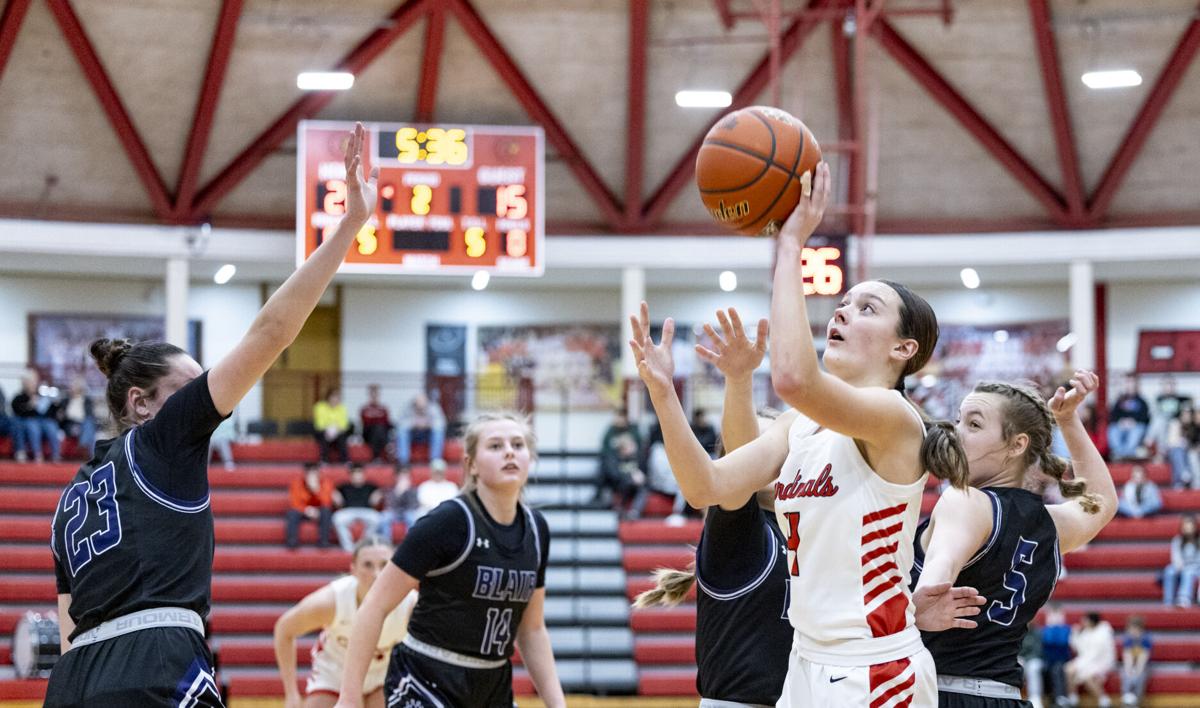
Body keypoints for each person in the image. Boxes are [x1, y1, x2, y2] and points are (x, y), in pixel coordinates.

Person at [45, 122, 378, 707]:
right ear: (140, 402)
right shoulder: (163, 438)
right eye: (191, 387)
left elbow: (69, 623)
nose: (210, 398)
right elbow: (272, 332)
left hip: (72, 683)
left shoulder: (70, 499)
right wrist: (349, 225)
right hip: (157, 663)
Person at [629, 163, 972, 707]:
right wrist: (663, 391)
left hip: (874, 668)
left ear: (903, 349)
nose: (843, 310)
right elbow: (709, 487)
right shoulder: (800, 425)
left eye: (867, 308)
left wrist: (790, 245)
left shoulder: (896, 418)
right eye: (844, 303)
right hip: (804, 665)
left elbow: (792, 378)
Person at [913, 372, 1118, 707]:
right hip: (1005, 697)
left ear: (1017, 444)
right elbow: (1103, 501)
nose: (955, 432)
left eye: (974, 425)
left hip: (940, 693)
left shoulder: (965, 501)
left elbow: (941, 568)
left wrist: (917, 604)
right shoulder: (1048, 524)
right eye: (958, 420)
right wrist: (1067, 420)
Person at [334, 413, 565, 708]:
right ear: (471, 465)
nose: (509, 451)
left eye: (518, 444)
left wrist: (558, 705)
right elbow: (375, 605)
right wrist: (349, 698)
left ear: (529, 458)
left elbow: (531, 629)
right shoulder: (448, 521)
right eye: (495, 446)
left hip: (492, 682)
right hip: (426, 676)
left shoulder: (537, 530)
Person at [273, 537, 417, 708]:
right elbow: (284, 629)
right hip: (335, 673)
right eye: (368, 565)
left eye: (384, 565)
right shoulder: (331, 602)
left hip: (383, 674)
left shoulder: (410, 604)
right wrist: (291, 695)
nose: (376, 573)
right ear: (353, 569)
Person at [1066, 612, 1116, 707]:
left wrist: (1082, 666)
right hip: (1086, 660)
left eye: (1085, 620)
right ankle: (1072, 698)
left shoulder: (1104, 631)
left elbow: (1098, 654)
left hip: (1102, 662)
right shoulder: (1085, 632)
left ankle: (1104, 701)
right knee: (1069, 669)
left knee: (1088, 677)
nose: (1083, 622)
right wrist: (1075, 634)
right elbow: (1078, 649)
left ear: (1092, 621)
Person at [11, 371, 62, 462]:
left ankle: (56, 454)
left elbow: (51, 413)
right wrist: (30, 405)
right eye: (31, 381)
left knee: (51, 426)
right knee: (33, 426)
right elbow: (17, 412)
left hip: (43, 421)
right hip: (28, 422)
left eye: (35, 381)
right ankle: (37, 454)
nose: (33, 384)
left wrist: (55, 405)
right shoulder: (19, 397)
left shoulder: (43, 395)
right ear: (25, 383)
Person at [594, 408, 642, 504]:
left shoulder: (633, 429)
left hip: (631, 461)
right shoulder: (610, 430)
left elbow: (639, 447)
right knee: (605, 465)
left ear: (625, 418)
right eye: (616, 416)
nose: (618, 419)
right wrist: (619, 452)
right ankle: (601, 494)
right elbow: (605, 449)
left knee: (636, 476)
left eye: (620, 417)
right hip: (615, 462)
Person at [333, 465, 384, 552]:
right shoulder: (343, 487)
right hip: (348, 510)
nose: (357, 476)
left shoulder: (371, 486)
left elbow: (380, 496)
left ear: (363, 475)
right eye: (355, 474)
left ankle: (362, 545)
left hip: (366, 510)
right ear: (351, 476)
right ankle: (348, 548)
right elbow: (334, 495)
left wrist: (378, 496)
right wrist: (335, 496)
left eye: (359, 474)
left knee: (377, 519)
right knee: (337, 519)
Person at [288, 464, 336, 550]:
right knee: (292, 513)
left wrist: (316, 490)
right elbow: (295, 502)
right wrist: (306, 509)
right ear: (305, 474)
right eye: (310, 473)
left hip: (320, 510)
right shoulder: (297, 483)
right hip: (303, 510)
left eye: (315, 473)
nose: (312, 476)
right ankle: (292, 542)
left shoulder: (326, 482)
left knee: (326, 512)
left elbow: (327, 502)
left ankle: (324, 542)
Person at [396, 392, 445, 467]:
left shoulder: (434, 408)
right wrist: (414, 423)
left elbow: (441, 424)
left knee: (438, 431)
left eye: (423, 407)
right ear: (415, 404)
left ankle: (435, 460)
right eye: (418, 407)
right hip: (413, 435)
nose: (421, 409)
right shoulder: (408, 408)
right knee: (402, 431)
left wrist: (428, 424)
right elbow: (400, 424)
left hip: (428, 435)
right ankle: (403, 461)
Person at [1109, 374, 1150, 461]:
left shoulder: (1142, 401)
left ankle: (1125, 454)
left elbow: (1145, 418)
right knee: (1113, 429)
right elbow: (1113, 416)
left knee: (1136, 430)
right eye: (1128, 383)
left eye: (1132, 383)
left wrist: (1133, 422)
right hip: (1121, 425)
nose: (1129, 385)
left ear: (1136, 384)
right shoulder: (1119, 400)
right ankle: (1121, 453)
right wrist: (1122, 421)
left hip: (1136, 425)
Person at [1162, 513, 1200, 607]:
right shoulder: (1177, 541)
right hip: (1181, 567)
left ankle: (1184, 600)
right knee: (1169, 571)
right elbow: (1176, 558)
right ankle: (1168, 601)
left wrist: (1189, 567)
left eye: (1190, 526)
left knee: (1188, 572)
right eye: (1186, 526)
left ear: (1195, 527)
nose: (1188, 529)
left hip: (1196, 569)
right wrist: (1181, 567)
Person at [377, 466, 420, 539]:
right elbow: (390, 505)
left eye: (406, 475)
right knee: (384, 518)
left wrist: (406, 491)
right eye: (401, 475)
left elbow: (413, 505)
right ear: (396, 477)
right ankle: (387, 543)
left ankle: (410, 542)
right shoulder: (390, 489)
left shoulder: (413, 489)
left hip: (407, 511)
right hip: (394, 512)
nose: (404, 477)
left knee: (412, 518)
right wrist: (398, 492)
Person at [1042, 603, 1072, 706]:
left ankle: (1060, 696)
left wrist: (1056, 627)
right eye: (1052, 615)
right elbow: (1047, 640)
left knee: (1057, 669)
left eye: (1057, 614)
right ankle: (1049, 697)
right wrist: (1051, 627)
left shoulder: (1066, 628)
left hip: (1062, 659)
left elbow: (1062, 642)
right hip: (1047, 659)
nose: (1055, 617)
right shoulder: (1045, 629)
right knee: (1044, 670)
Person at [58, 378, 97, 456]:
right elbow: (63, 415)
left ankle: (83, 444)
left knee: (88, 423)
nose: (71, 388)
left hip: (84, 423)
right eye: (71, 386)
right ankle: (91, 455)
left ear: (80, 388)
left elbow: (90, 414)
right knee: (89, 430)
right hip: (71, 424)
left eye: (74, 386)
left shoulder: (87, 400)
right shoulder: (66, 400)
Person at [1119, 616, 1151, 707]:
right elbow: (1127, 656)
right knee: (1125, 675)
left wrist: (1137, 671)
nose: (1130, 631)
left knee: (1140, 677)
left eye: (1132, 629)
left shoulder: (1146, 639)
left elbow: (1143, 657)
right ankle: (1125, 699)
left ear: (1139, 629)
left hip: (1143, 665)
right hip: (1130, 664)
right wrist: (1129, 671)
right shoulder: (1128, 639)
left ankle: (1137, 701)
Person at [314, 388, 352, 464]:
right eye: (333, 397)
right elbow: (320, 424)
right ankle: (324, 460)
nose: (335, 399)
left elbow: (344, 425)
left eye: (337, 398)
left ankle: (345, 460)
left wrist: (335, 430)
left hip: (338, 432)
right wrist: (329, 429)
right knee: (324, 434)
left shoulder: (342, 408)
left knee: (342, 436)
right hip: (323, 431)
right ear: (328, 397)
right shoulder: (319, 406)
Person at [359, 385, 392, 463]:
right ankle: (386, 449)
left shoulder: (384, 409)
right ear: (369, 395)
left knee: (379, 429)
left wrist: (374, 420)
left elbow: (386, 422)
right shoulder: (365, 409)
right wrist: (377, 420)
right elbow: (366, 422)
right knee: (377, 428)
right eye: (372, 394)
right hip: (368, 434)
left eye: (376, 394)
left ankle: (376, 457)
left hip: (381, 433)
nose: (374, 397)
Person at [1166, 405, 1196, 488]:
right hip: (1174, 450)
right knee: (1178, 452)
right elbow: (1171, 442)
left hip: (1188, 451)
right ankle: (1183, 473)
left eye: (1189, 414)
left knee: (1186, 455)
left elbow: (1194, 443)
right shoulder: (1175, 423)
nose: (1186, 416)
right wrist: (1182, 443)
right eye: (1185, 414)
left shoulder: (1193, 427)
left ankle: (1178, 482)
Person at [1018, 623, 1045, 708]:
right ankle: (1013, 697)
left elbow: (1038, 650)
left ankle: (1035, 698)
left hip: (1034, 658)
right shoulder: (1018, 631)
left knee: (1033, 668)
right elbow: (1016, 648)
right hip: (1021, 658)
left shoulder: (1038, 631)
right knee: (1016, 665)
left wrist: (1027, 659)